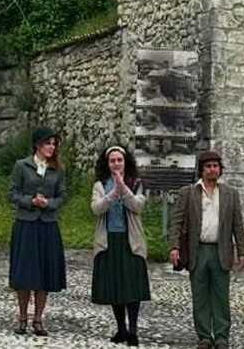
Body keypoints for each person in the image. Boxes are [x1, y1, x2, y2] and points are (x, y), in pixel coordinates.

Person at [169, 150, 244, 349]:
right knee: (200, 295)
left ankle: (221, 336)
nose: (212, 170)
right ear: (202, 170)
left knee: (221, 296)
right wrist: (174, 246)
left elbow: (237, 225)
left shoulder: (230, 194)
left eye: (216, 166)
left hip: (221, 250)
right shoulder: (188, 193)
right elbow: (176, 221)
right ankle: (204, 336)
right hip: (198, 250)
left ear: (220, 169)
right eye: (208, 166)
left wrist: (243, 251)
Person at [9, 127, 68, 336]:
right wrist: (31, 201)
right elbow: (12, 193)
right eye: (48, 143)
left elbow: (63, 196)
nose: (52, 147)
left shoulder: (58, 169)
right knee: (25, 272)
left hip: (48, 225)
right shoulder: (22, 166)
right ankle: (22, 317)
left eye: (54, 144)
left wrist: (48, 203)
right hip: (26, 223)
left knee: (44, 272)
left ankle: (38, 319)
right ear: (37, 145)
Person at [90, 145, 151, 346]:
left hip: (131, 240)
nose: (116, 164)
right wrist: (112, 194)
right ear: (107, 164)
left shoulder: (136, 183)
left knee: (132, 286)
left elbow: (137, 206)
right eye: (112, 161)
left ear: (125, 162)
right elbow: (96, 208)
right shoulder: (100, 185)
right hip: (109, 240)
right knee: (115, 285)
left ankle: (133, 330)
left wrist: (122, 189)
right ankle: (121, 329)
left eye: (119, 160)